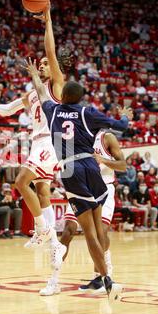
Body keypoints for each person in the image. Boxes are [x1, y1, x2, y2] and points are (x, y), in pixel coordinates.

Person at [0, 4, 72, 270]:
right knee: (42, 190)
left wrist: (48, 21)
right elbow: (8, 109)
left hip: (50, 142)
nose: (43, 66)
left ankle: (42, 229)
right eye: (41, 64)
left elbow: (51, 51)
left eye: (46, 64)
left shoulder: (57, 84)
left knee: (21, 182)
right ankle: (55, 243)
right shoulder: (32, 93)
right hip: (38, 143)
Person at [27, 58, 132, 300]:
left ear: (61, 96)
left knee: (88, 233)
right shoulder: (87, 112)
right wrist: (125, 117)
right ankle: (107, 279)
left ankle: (107, 280)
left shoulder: (52, 111)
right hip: (91, 168)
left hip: (71, 169)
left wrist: (34, 74)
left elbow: (42, 91)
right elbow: (120, 126)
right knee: (96, 232)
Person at [43, 130, 127, 296]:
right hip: (80, 186)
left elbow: (123, 165)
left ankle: (101, 277)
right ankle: (54, 281)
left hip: (104, 188)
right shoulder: (74, 136)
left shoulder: (106, 137)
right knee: (68, 231)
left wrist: (102, 160)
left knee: (100, 232)